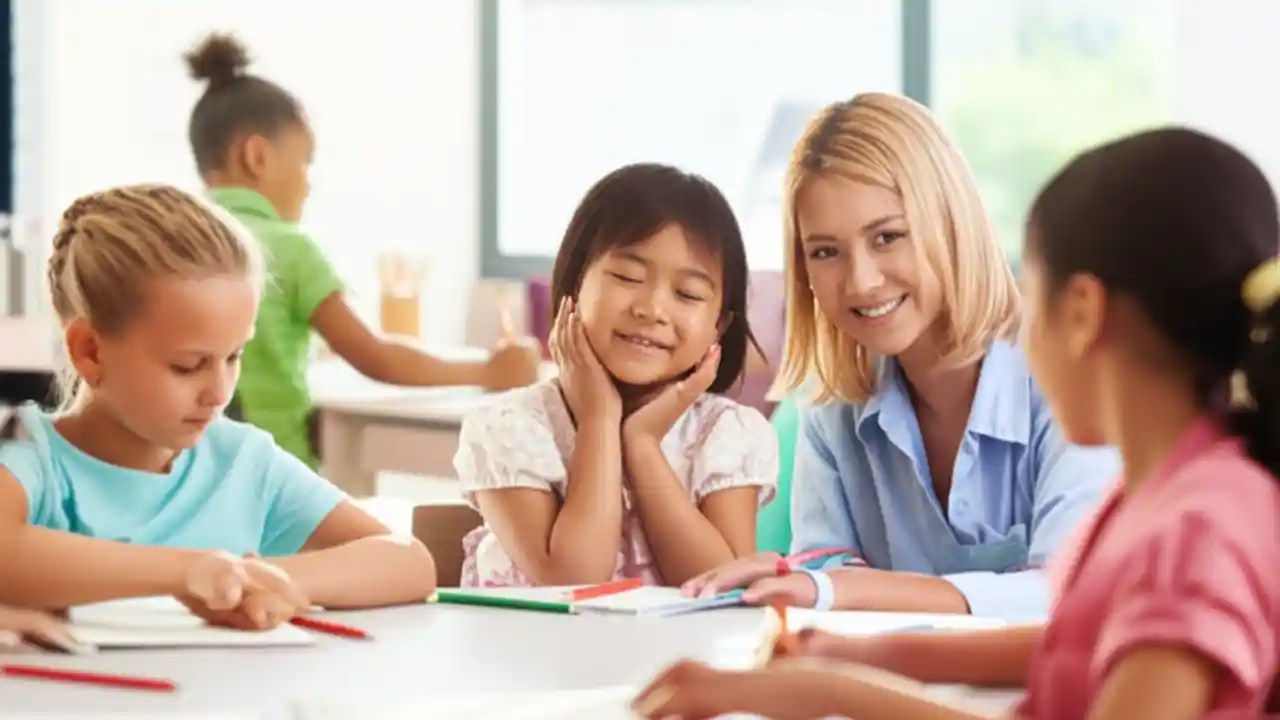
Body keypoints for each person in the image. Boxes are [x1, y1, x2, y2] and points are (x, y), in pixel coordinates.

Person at [635, 127, 1280, 719]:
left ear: (1081, 313)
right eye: (826, 253)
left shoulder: (1196, 528)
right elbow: (1073, 648)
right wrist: (857, 655)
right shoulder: (1169, 496)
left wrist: (829, 691)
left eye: (1031, 292)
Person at [684, 93, 1115, 618]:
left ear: (950, 223)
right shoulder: (831, 401)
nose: (862, 281)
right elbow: (824, 564)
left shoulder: (1069, 374)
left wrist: (839, 590)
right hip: (891, 684)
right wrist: (823, 585)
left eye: (888, 237)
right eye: (825, 252)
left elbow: (1069, 594)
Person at [0, 185, 436, 626]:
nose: (219, 391)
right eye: (188, 366)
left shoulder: (242, 462)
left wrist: (258, 579)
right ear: (91, 351)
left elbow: (409, 561)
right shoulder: (30, 457)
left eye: (234, 357)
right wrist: (188, 573)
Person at [184, 33, 539, 468]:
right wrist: (488, 372)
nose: (308, 182)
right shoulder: (285, 249)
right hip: (272, 474)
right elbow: (374, 355)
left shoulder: (175, 235)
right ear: (256, 156)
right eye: (304, 162)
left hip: (188, 473)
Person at [454, 163, 779, 587]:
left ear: (719, 325)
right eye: (627, 277)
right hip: (531, 651)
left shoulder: (726, 433)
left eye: (688, 294)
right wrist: (599, 419)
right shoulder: (510, 427)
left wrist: (642, 445)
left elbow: (719, 586)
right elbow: (573, 580)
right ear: (574, 283)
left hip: (677, 654)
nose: (651, 309)